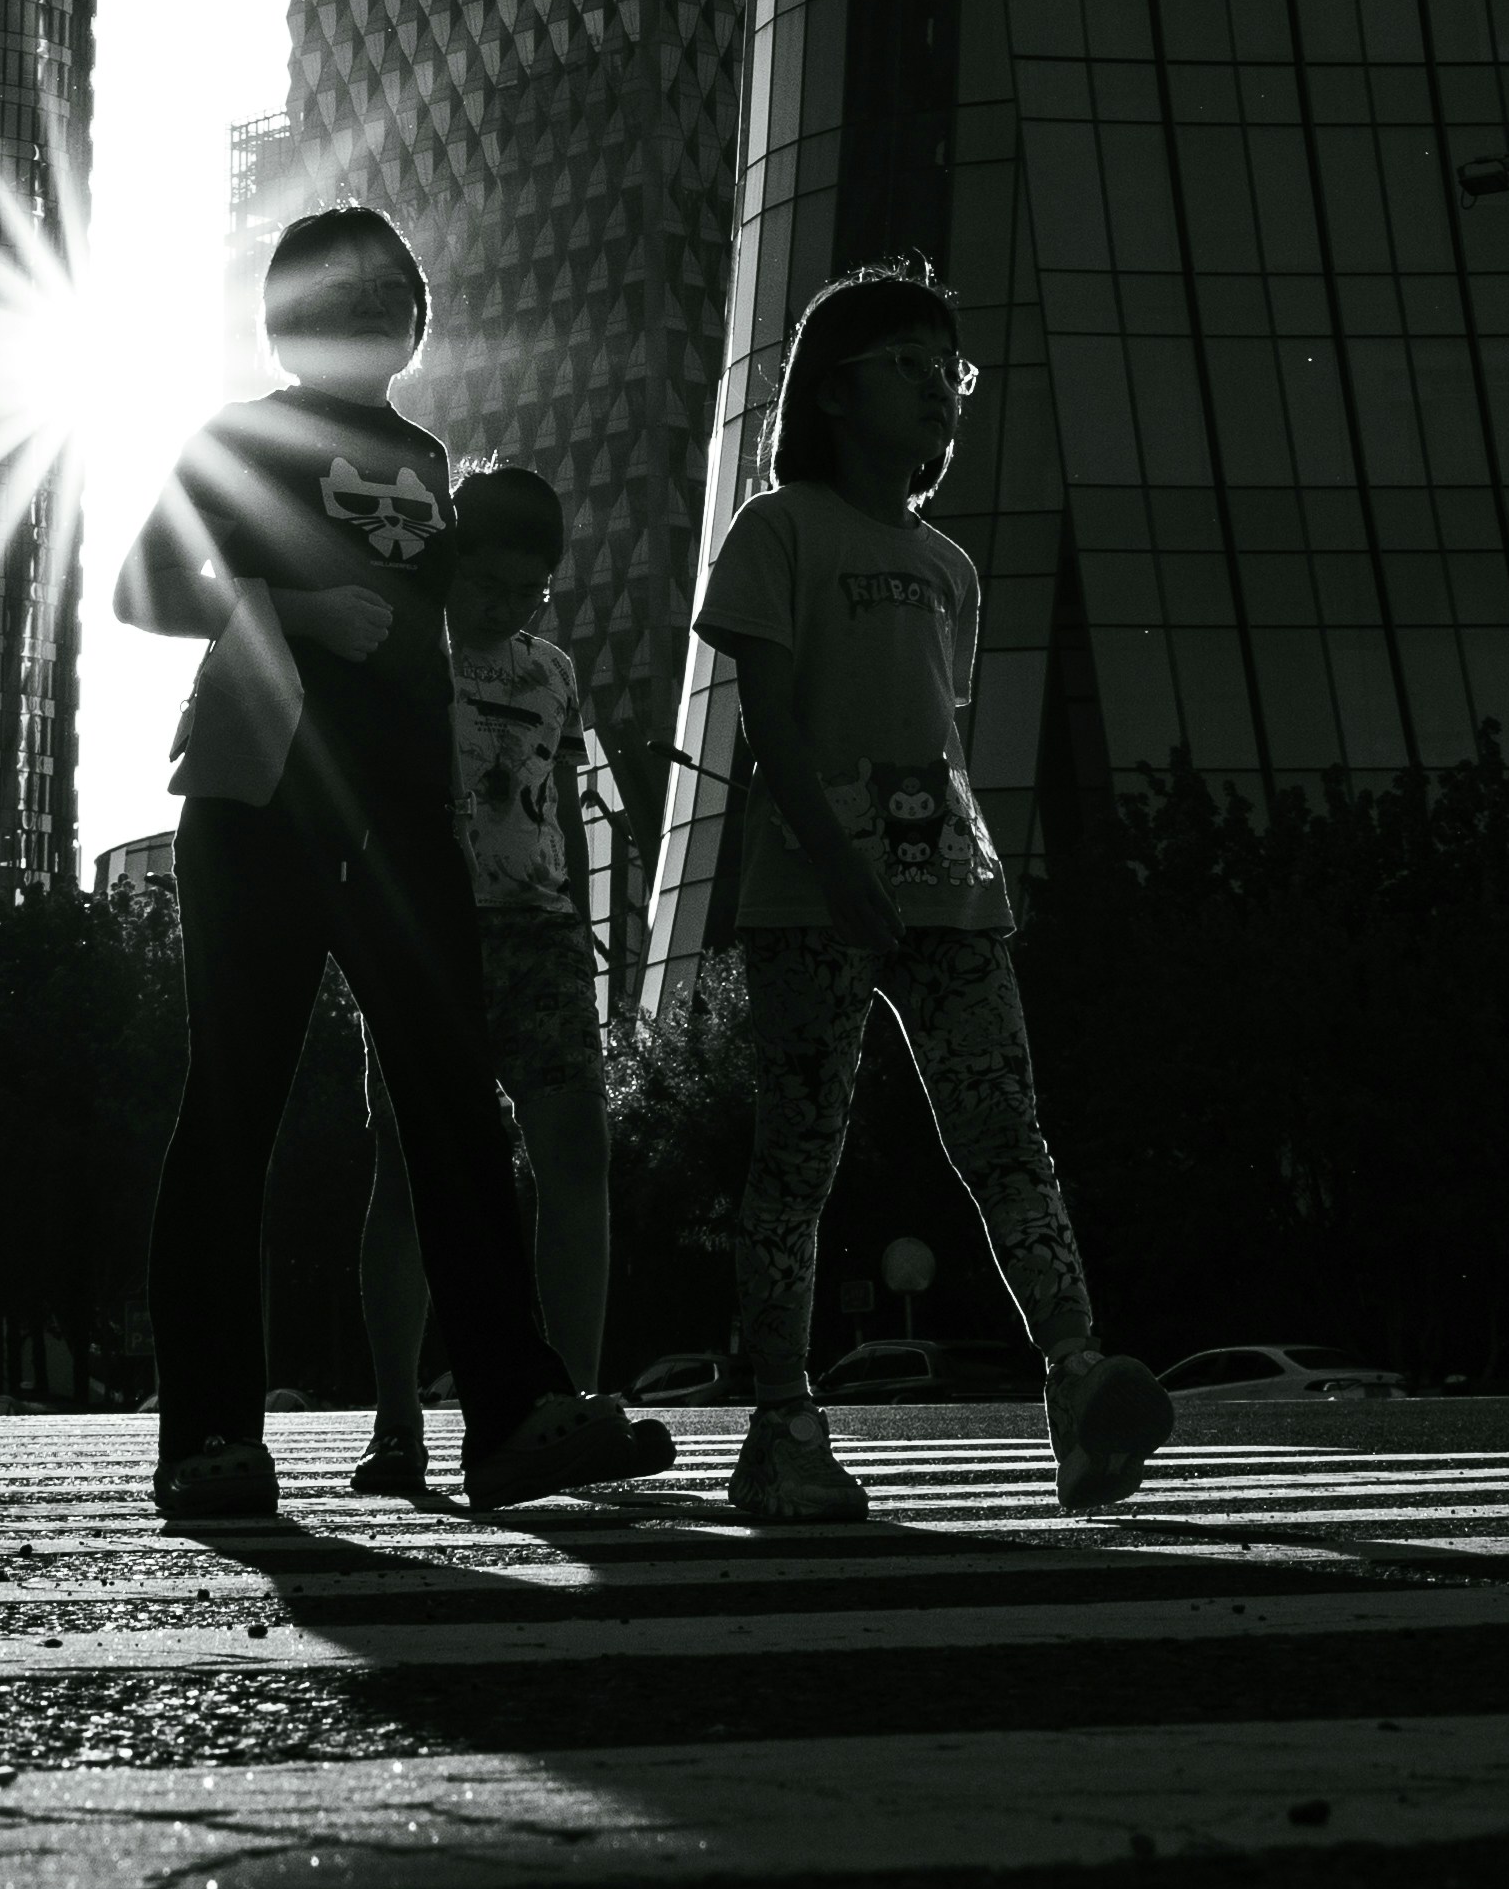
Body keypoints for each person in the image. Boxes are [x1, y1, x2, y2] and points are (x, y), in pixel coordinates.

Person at [117, 201, 671, 1524]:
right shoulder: (244, 433)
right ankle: (208, 1434)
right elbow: (145, 584)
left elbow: (447, 618)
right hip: (264, 798)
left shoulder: (427, 459)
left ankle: (514, 1413)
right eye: (335, 286)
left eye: (390, 288)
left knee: (453, 1111)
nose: (368, 304)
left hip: (409, 820)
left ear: (420, 315)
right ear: (281, 310)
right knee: (234, 1108)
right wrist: (298, 604)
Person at [696, 252, 1170, 1530]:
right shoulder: (777, 530)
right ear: (832, 392)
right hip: (813, 891)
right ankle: (783, 1418)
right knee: (797, 1153)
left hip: (951, 889)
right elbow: (772, 727)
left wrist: (941, 873)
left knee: (1006, 1135)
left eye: (945, 370)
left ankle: (1076, 1380)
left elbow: (931, 734)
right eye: (905, 366)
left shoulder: (952, 566)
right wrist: (836, 867)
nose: (936, 391)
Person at [350, 461, 650, 1497]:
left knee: (577, 1161)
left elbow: (556, 799)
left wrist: (580, 921)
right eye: (484, 582)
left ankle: (572, 1398)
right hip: (427, 939)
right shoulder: (398, 647)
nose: (500, 607)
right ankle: (396, 1422)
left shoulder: (551, 673)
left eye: (526, 590)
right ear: (448, 563)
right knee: (408, 1178)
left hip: (541, 933)